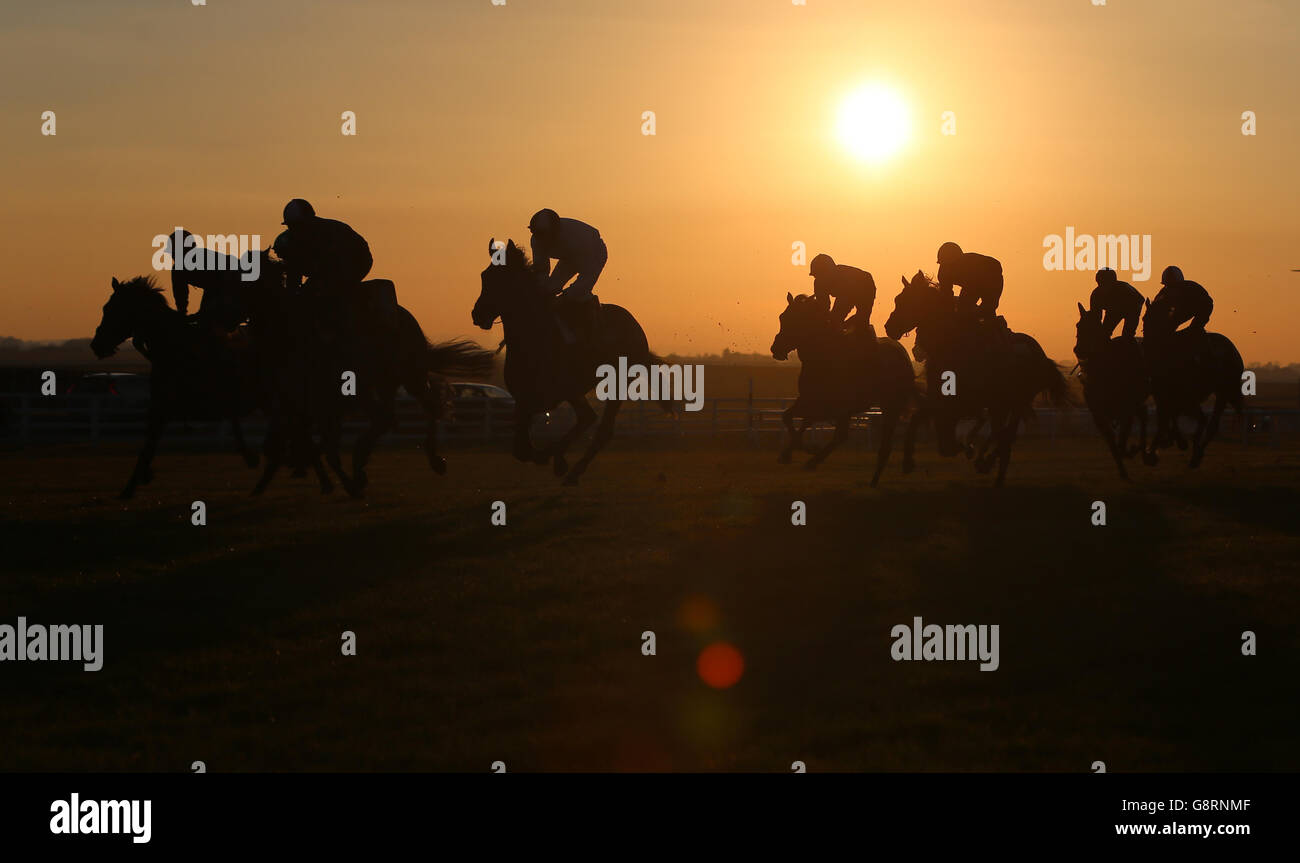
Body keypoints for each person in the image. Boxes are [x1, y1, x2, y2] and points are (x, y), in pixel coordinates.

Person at [274, 199, 381, 349]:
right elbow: (293, 272)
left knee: (329, 293)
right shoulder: (289, 241)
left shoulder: (329, 234)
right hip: (327, 268)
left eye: (298, 225)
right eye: (292, 226)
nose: (296, 230)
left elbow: (331, 270)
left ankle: (336, 332)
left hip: (356, 261)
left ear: (309, 221)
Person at [528, 208, 607, 344]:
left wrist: (566, 297)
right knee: (548, 290)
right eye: (537, 234)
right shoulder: (536, 239)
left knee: (577, 295)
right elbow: (541, 270)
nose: (540, 239)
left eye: (543, 235)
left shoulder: (578, 240)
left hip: (594, 252)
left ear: (554, 232)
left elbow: (586, 278)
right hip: (569, 257)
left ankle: (592, 319)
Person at [168, 228, 249, 333]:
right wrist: (183, 315)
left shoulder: (203, 258)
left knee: (213, 320)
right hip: (221, 287)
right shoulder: (178, 269)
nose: (172, 255)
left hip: (238, 282)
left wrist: (201, 313)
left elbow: (222, 284)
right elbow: (180, 295)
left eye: (173, 251)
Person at [809, 253, 877, 340]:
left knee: (861, 322)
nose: (818, 278)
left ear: (829, 272)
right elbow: (824, 306)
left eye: (820, 275)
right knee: (832, 322)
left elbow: (843, 304)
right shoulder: (818, 282)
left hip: (865, 287)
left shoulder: (845, 279)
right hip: (846, 293)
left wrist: (836, 322)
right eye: (816, 276)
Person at [936, 242, 1004, 322]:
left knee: (986, 311)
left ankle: (995, 330)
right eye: (946, 265)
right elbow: (946, 295)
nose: (949, 268)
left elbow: (972, 291)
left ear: (960, 261)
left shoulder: (971, 267)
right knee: (962, 310)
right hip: (973, 282)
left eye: (952, 265)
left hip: (992, 278)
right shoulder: (943, 273)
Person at [1150, 265, 1212, 334]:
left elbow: (1206, 306)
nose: (1171, 289)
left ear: (1180, 284)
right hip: (1182, 309)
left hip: (1203, 306)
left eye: (1173, 286)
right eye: (1168, 286)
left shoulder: (1191, 290)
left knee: (1194, 329)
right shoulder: (1163, 293)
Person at [1088, 268, 1144, 340]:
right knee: (1103, 334)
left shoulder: (1125, 289)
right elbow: (1096, 317)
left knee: (1127, 335)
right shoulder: (1096, 295)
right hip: (1113, 310)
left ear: (1113, 282)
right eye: (1100, 284)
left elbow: (1139, 300)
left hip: (1133, 306)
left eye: (1105, 284)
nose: (1103, 287)